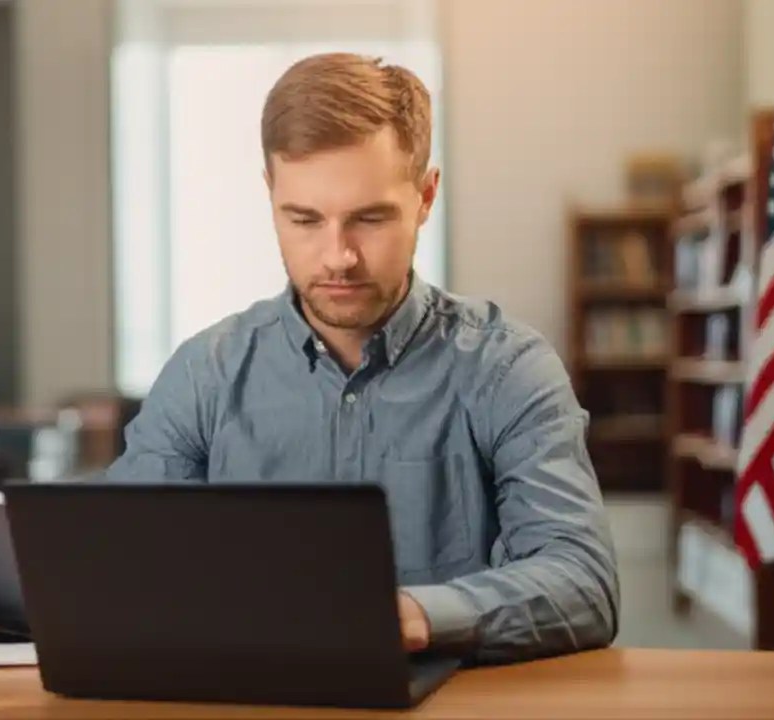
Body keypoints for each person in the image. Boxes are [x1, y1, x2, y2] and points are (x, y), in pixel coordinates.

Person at [103, 52, 618, 665]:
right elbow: (121, 565)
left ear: (426, 196)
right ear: (269, 193)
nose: (338, 256)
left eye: (369, 219)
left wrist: (418, 616)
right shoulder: (203, 374)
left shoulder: (508, 369)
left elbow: (583, 582)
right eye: (304, 219)